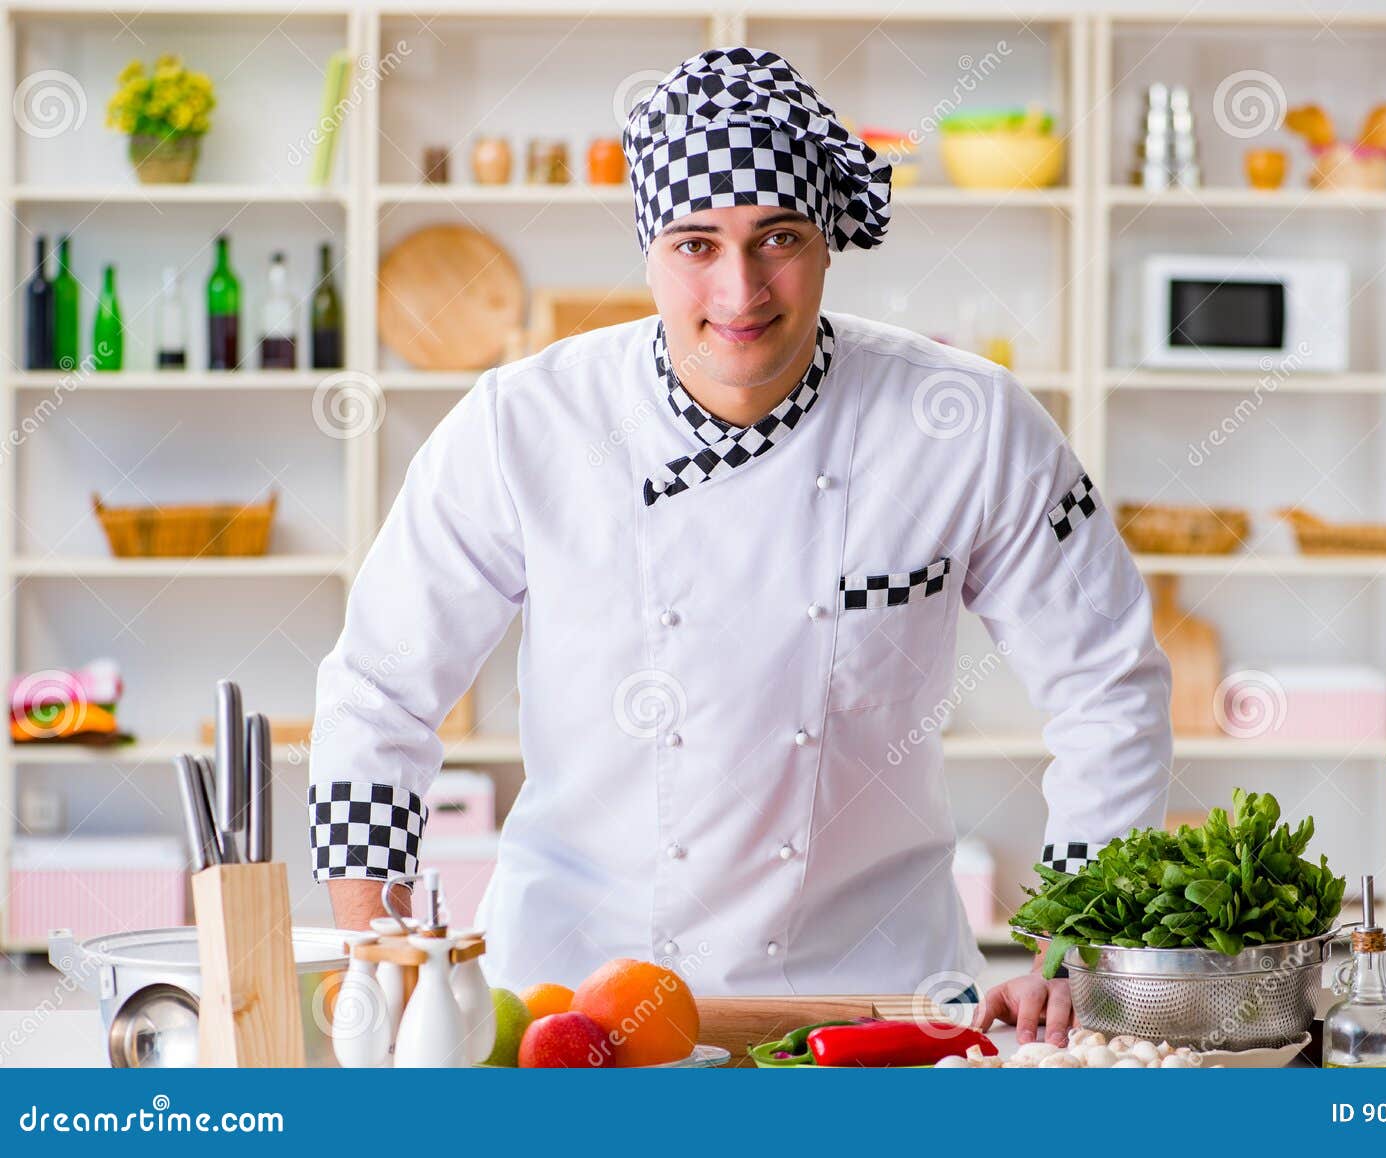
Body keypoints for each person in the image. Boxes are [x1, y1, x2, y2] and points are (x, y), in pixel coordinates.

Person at [308, 46, 1171, 1047]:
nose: (740, 289)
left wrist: (1071, 935)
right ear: (646, 249)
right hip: (570, 1005)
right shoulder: (522, 425)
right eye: (695, 244)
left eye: (778, 237)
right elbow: (379, 690)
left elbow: (1107, 682)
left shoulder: (964, 421)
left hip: (877, 1003)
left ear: (829, 240)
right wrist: (380, 960)